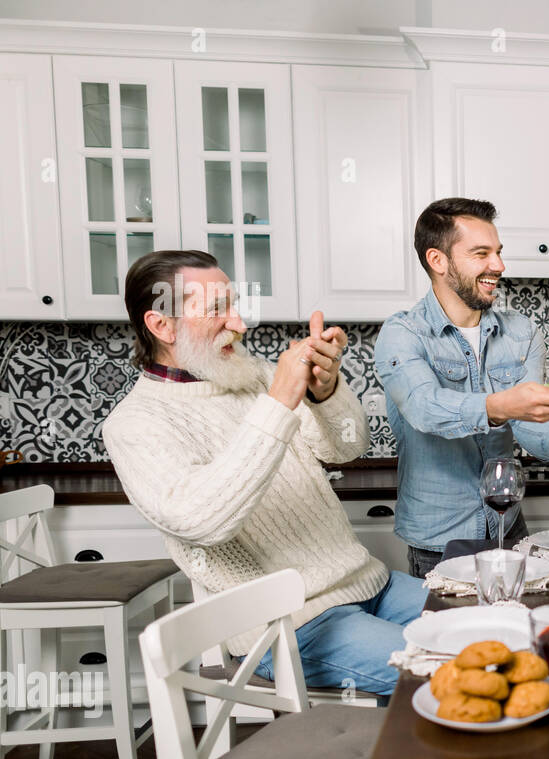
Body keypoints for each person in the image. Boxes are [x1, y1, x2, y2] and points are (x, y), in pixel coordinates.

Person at [103, 249, 421, 696]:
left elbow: (348, 446)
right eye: (217, 310)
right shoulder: (135, 424)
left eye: (233, 305)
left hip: (373, 584)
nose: (239, 324)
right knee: (455, 674)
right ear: (162, 325)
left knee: (504, 635)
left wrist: (325, 392)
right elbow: (203, 520)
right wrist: (278, 403)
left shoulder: (251, 378)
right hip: (289, 625)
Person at [375, 199, 549, 576]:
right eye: (482, 254)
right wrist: (503, 405)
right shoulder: (403, 333)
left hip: (509, 527)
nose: (498, 265)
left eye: (498, 252)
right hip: (440, 541)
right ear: (438, 260)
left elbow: (530, 425)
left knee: (517, 630)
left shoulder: (521, 332)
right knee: (451, 636)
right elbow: (425, 409)